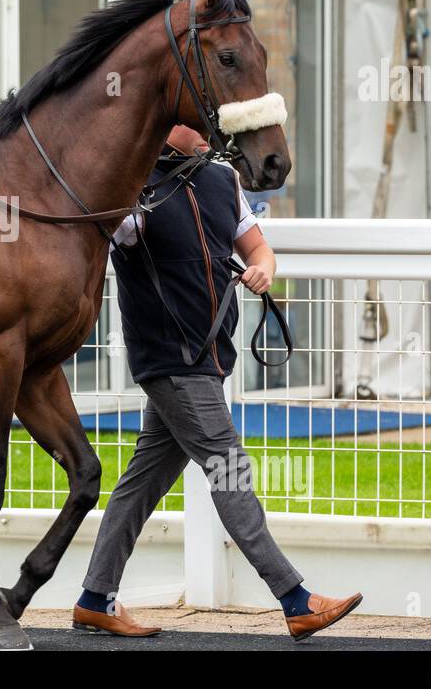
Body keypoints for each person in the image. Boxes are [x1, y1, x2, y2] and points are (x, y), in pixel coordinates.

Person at [72, 124, 362, 642]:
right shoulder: (134, 188)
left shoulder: (223, 180)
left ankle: (95, 598)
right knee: (229, 466)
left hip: (207, 356)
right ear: (167, 126)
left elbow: (260, 250)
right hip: (169, 359)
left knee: (142, 483)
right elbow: (95, 237)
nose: (210, 129)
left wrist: (263, 270)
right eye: (195, 122)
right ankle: (295, 599)